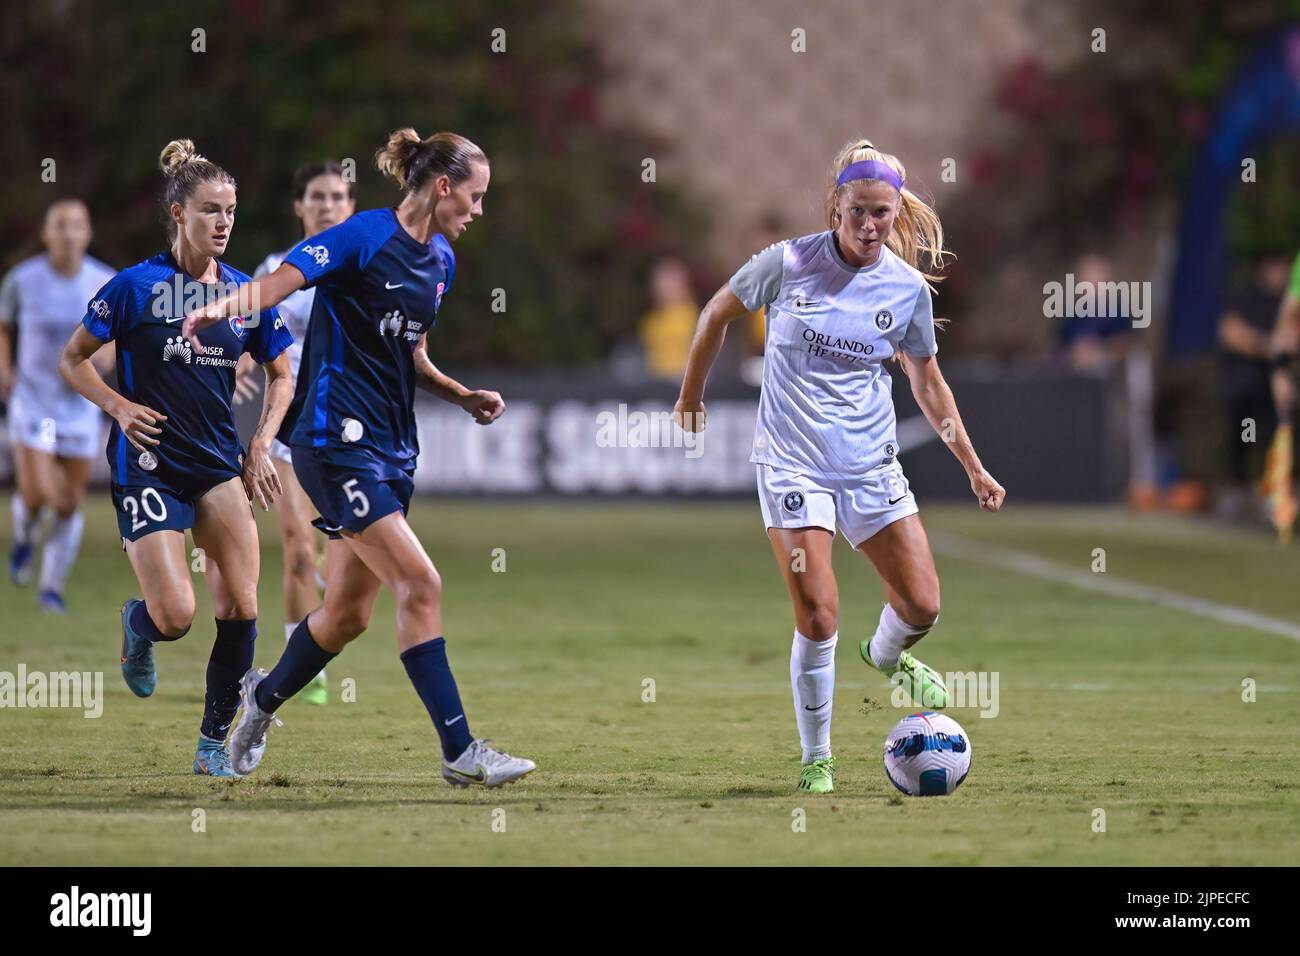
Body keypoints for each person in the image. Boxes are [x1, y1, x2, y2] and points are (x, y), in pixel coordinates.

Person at [181, 128, 536, 788]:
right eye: (476, 197)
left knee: (346, 614)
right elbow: (276, 284)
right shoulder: (360, 236)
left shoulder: (441, 264)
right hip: (334, 447)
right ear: (442, 187)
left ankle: (259, 701)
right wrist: (218, 310)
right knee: (421, 584)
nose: (479, 211)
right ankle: (460, 752)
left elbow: (412, 353)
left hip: (395, 451)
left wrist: (462, 397)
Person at [673, 138, 1005, 795]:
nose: (871, 224)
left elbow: (928, 383)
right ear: (835, 207)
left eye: (883, 212)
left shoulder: (906, 290)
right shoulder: (788, 262)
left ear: (894, 212)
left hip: (870, 465)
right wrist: (690, 397)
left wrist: (971, 463)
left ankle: (884, 656)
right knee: (818, 612)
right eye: (858, 211)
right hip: (793, 464)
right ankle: (817, 758)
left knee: (922, 605)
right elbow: (715, 312)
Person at [58, 140, 294, 777]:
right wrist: (117, 406)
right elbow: (71, 359)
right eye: (211, 210)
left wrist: (262, 442)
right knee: (177, 615)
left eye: (232, 211)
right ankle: (140, 625)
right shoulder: (135, 287)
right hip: (150, 464)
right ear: (177, 213)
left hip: (218, 464)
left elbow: (282, 375)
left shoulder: (247, 295)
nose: (224, 223)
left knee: (242, 607)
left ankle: (213, 744)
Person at [238, 162, 357, 704]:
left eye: (337, 196)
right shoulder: (278, 269)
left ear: (350, 206)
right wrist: (239, 355)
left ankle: (326, 612)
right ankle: (301, 666)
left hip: (349, 425)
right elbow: (249, 324)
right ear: (299, 206)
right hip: (290, 421)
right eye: (317, 195)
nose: (327, 205)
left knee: (347, 547)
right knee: (296, 544)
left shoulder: (364, 265)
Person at [1, 199, 116, 611]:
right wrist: (5, 370)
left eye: (76, 225)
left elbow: (116, 337)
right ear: (46, 234)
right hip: (34, 403)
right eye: (60, 225)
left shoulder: (105, 281)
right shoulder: (24, 279)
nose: (68, 233)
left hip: (79, 406)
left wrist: (106, 358)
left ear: (87, 233)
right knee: (38, 492)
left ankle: (50, 588)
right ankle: (27, 536)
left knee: (68, 503)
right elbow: (3, 324)